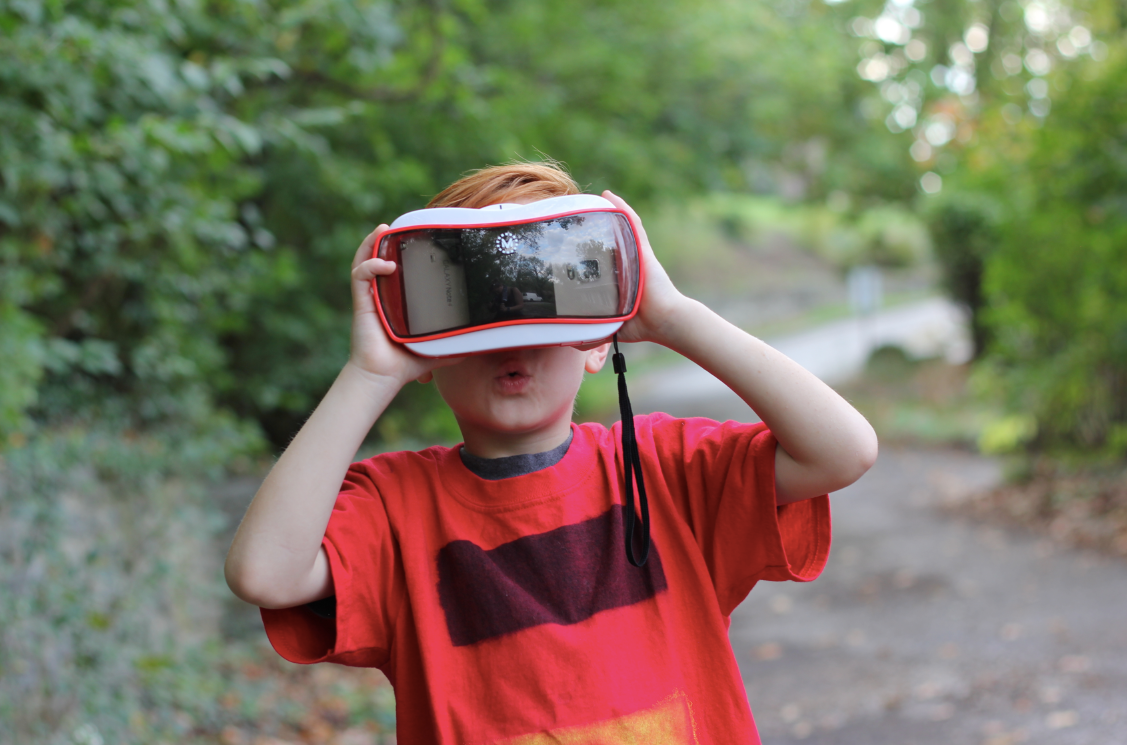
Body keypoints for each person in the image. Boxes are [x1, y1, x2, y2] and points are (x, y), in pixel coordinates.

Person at [224, 162, 878, 744]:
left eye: (543, 306)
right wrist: (370, 371)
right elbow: (266, 574)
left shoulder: (667, 468)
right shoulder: (394, 508)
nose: (512, 341)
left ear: (598, 341)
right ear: (424, 352)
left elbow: (841, 450)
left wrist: (673, 314)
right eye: (475, 314)